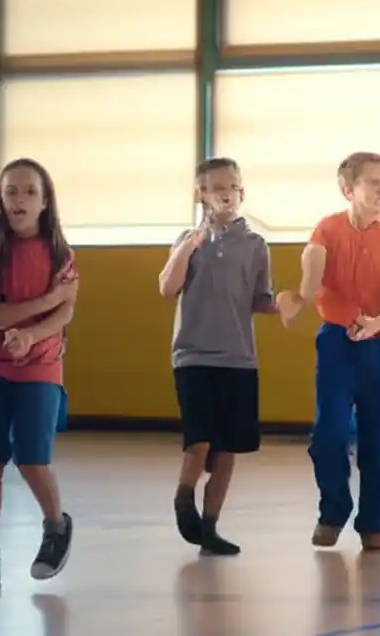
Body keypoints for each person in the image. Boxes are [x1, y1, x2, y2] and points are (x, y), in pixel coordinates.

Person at [276, 152, 380, 551]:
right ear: (348, 189)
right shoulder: (327, 230)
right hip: (338, 342)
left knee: (379, 439)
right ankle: (333, 510)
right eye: (372, 181)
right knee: (329, 433)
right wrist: (297, 297)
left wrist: (374, 324)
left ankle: (374, 520)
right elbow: (311, 281)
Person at [158, 158, 277, 556]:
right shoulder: (188, 240)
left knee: (228, 448)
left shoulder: (256, 245)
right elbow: (167, 287)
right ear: (201, 194)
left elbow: (260, 298)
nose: (226, 193)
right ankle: (184, 496)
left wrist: (283, 306)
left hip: (239, 358)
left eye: (233, 186)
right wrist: (188, 247)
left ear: (242, 192)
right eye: (216, 187)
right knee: (201, 439)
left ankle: (210, 528)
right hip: (193, 355)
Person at [0, 158, 78, 591]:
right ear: (0, 198)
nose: (19, 200)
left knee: (32, 458)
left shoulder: (60, 254)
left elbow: (65, 312)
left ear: (45, 201)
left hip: (41, 367)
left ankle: (56, 526)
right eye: (11, 191)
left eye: (29, 191)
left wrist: (31, 336)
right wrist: (42, 303)